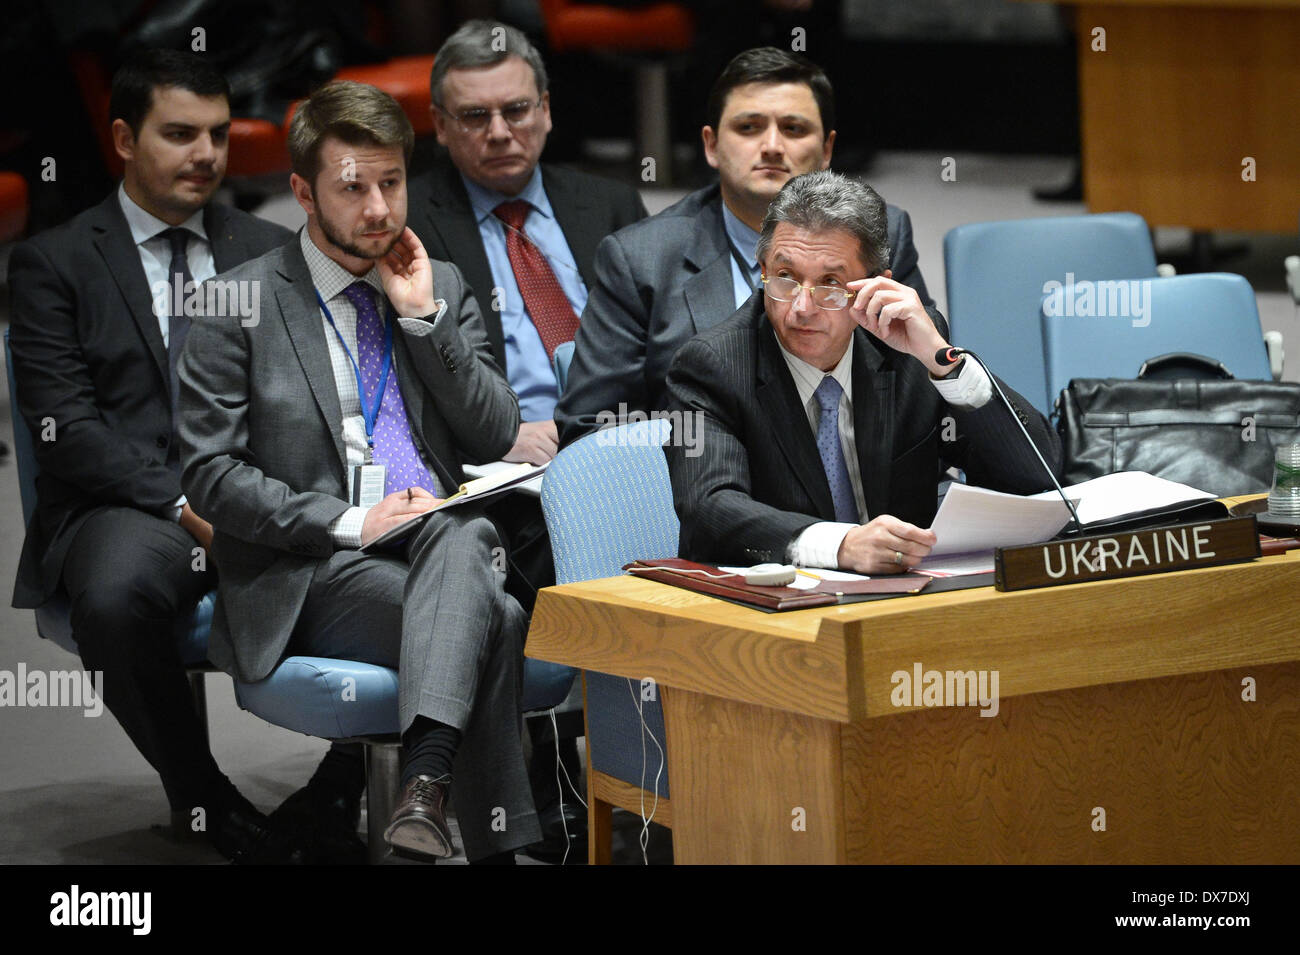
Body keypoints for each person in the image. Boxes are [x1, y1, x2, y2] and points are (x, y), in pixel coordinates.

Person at [178, 80, 539, 863]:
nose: (379, 208)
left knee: (465, 535)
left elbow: (498, 430)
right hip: (311, 567)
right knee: (496, 612)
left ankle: (421, 800)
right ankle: (486, 838)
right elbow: (211, 475)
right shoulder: (232, 303)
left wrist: (420, 320)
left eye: (392, 182)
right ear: (303, 190)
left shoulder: (436, 283)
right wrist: (352, 520)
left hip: (435, 545)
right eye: (353, 187)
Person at [7, 48, 289, 863]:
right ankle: (207, 799)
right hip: (128, 503)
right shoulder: (55, 260)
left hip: (258, 488)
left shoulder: (268, 246)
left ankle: (346, 778)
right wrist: (182, 504)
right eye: (179, 134)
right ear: (125, 139)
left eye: (218, 134)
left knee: (395, 551)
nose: (205, 154)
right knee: (114, 596)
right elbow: (65, 425)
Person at [405, 19, 647, 857]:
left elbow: (652, 347)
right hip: (488, 468)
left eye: (516, 109)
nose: (500, 132)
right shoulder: (411, 223)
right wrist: (515, 435)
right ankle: (552, 802)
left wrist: (591, 432)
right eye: (474, 117)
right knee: (529, 558)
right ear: (440, 125)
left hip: (610, 446)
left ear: (546, 110)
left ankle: (661, 789)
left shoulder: (606, 203)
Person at [664, 171, 1061, 571]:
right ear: (762, 268)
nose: (801, 308)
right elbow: (709, 507)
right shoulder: (710, 366)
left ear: (875, 287)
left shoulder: (909, 347)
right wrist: (840, 545)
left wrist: (944, 362)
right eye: (785, 278)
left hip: (909, 602)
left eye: (830, 283)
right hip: (774, 609)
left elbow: (1037, 475)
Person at [556, 46, 935, 446]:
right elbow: (592, 427)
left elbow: (921, 384)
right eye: (749, 127)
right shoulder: (640, 259)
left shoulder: (882, 231)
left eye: (793, 128)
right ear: (711, 145)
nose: (771, 145)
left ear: (827, 150)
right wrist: (709, 456)